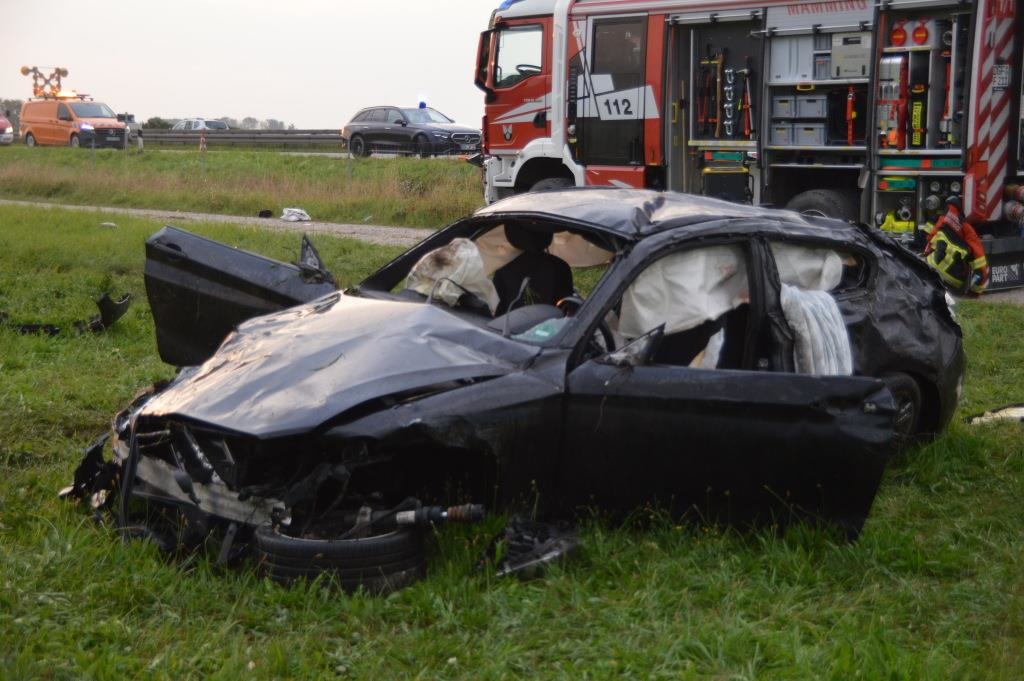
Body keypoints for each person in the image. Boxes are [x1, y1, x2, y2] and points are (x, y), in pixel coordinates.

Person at [923, 196, 989, 295]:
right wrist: (975, 291)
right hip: (953, 281)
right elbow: (980, 265)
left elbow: (929, 239)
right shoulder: (967, 230)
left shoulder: (942, 220)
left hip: (932, 269)